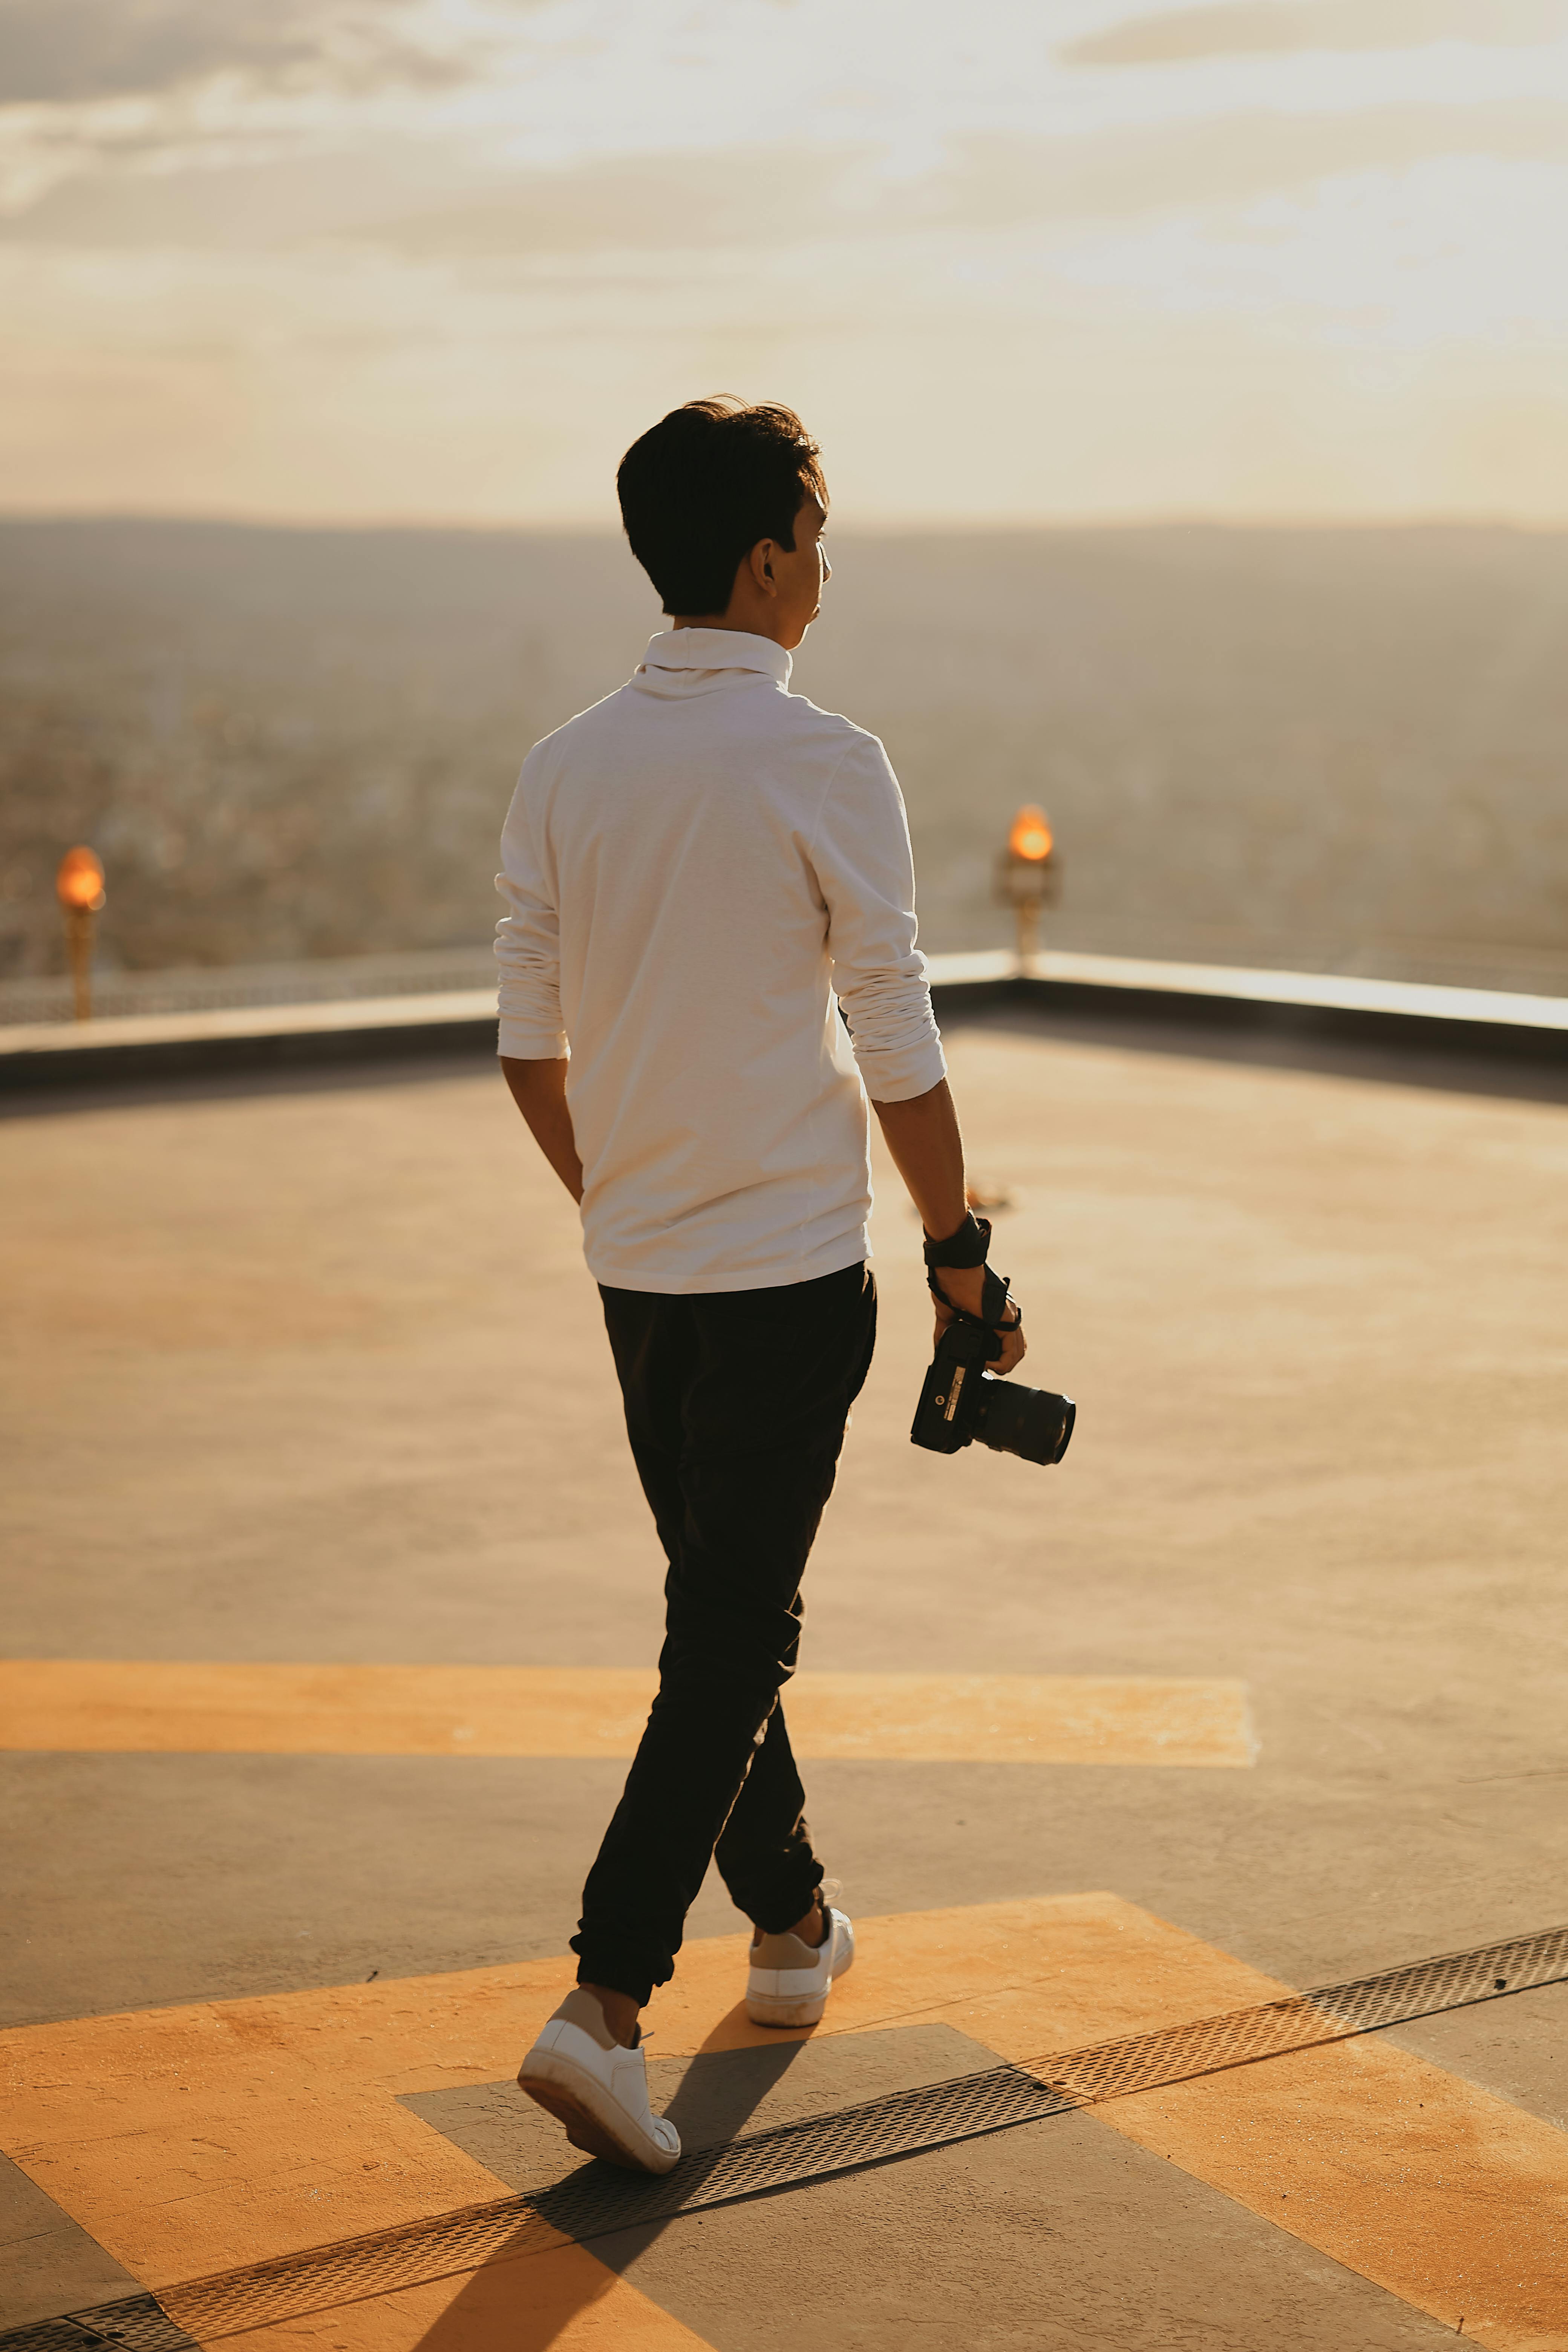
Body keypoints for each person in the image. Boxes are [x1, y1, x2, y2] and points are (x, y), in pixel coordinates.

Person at [499, 397, 1025, 2174]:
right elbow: (892, 1028)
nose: (829, 555)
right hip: (793, 1278)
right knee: (732, 1627)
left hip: (637, 1275)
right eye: (817, 522)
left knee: (724, 1602)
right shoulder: (820, 759)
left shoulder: (565, 763)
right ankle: (605, 2005)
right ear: (762, 558)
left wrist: (622, 1195)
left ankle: (791, 1929)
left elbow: (522, 1043)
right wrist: (958, 1254)